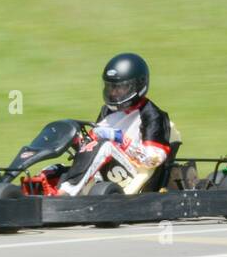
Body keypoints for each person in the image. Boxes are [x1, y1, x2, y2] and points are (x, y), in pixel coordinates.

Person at [55, 53, 175, 196]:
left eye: (120, 88)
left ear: (137, 86)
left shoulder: (152, 115)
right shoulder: (108, 110)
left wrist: (120, 139)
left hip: (133, 174)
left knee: (106, 145)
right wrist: (80, 141)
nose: (113, 93)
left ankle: (66, 193)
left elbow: (153, 159)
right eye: (111, 87)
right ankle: (39, 187)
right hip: (106, 171)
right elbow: (95, 142)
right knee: (56, 170)